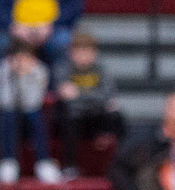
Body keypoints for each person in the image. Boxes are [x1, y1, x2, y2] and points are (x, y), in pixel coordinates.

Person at [0, 38, 58, 185]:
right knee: (8, 114)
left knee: (36, 115)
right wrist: (12, 76)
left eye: (27, 58)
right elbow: (3, 102)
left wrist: (26, 78)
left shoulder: (40, 71)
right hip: (0, 119)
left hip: (28, 118)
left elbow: (34, 103)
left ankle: (43, 162)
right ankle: (8, 161)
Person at [52, 28, 123, 175]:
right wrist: (94, 98)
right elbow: (67, 98)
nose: (83, 56)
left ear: (95, 53)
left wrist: (79, 94)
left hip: (94, 116)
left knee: (118, 117)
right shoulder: (62, 69)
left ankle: (119, 164)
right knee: (68, 116)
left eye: (87, 51)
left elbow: (108, 95)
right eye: (79, 51)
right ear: (71, 53)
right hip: (72, 118)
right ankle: (69, 166)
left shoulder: (102, 69)